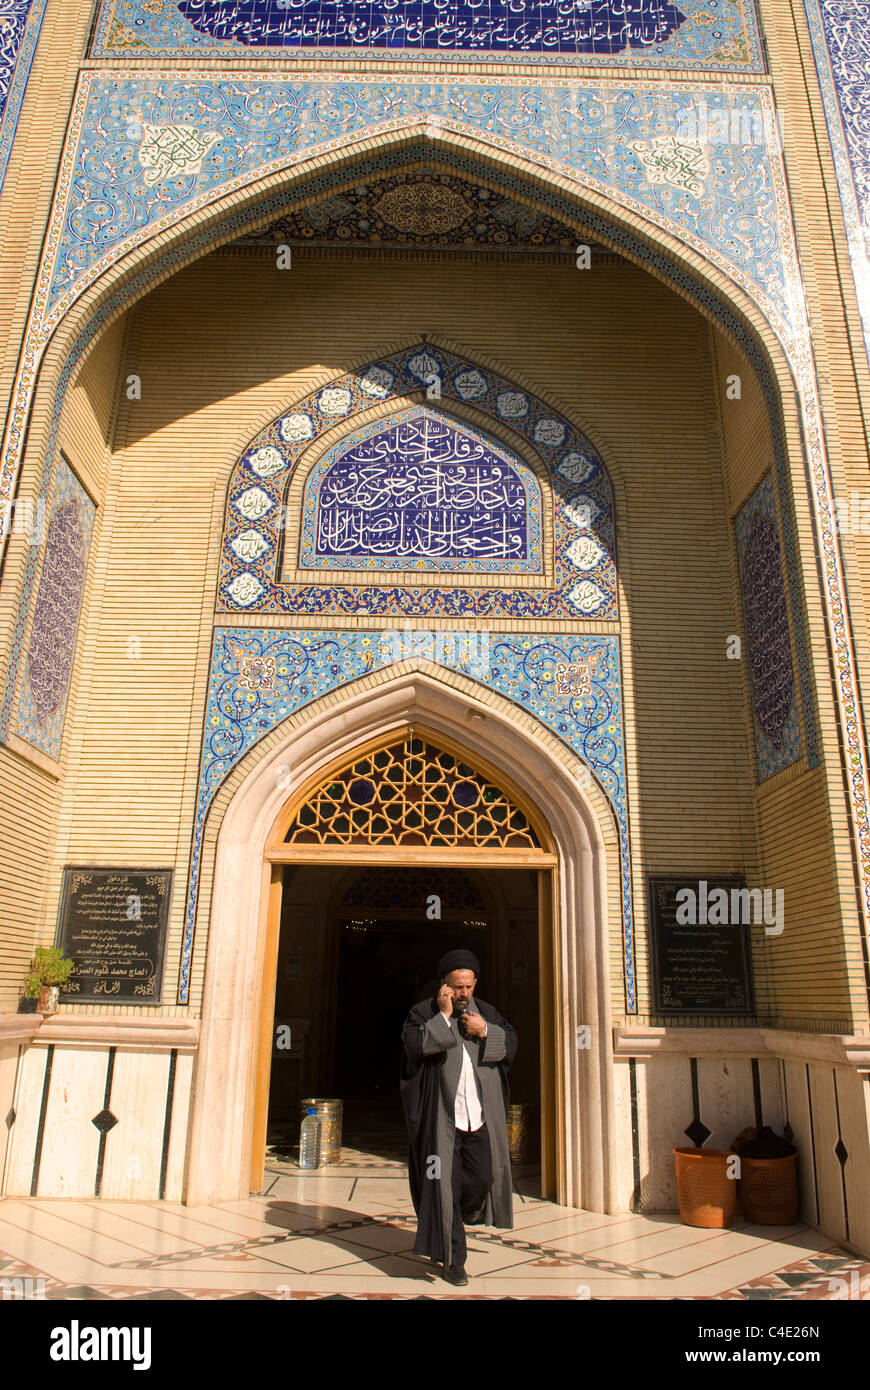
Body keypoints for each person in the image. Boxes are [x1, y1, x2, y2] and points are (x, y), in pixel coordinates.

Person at [400, 948, 517, 1285]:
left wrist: (483, 1030)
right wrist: (444, 1016)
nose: (464, 994)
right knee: (444, 1188)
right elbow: (412, 1049)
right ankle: (454, 1261)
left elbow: (510, 1043)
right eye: (457, 987)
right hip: (441, 1123)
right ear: (444, 986)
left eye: (468, 987)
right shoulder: (423, 1013)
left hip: (476, 1121)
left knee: (482, 1180)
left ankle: (454, 1217)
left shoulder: (486, 1014)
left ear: (475, 983)